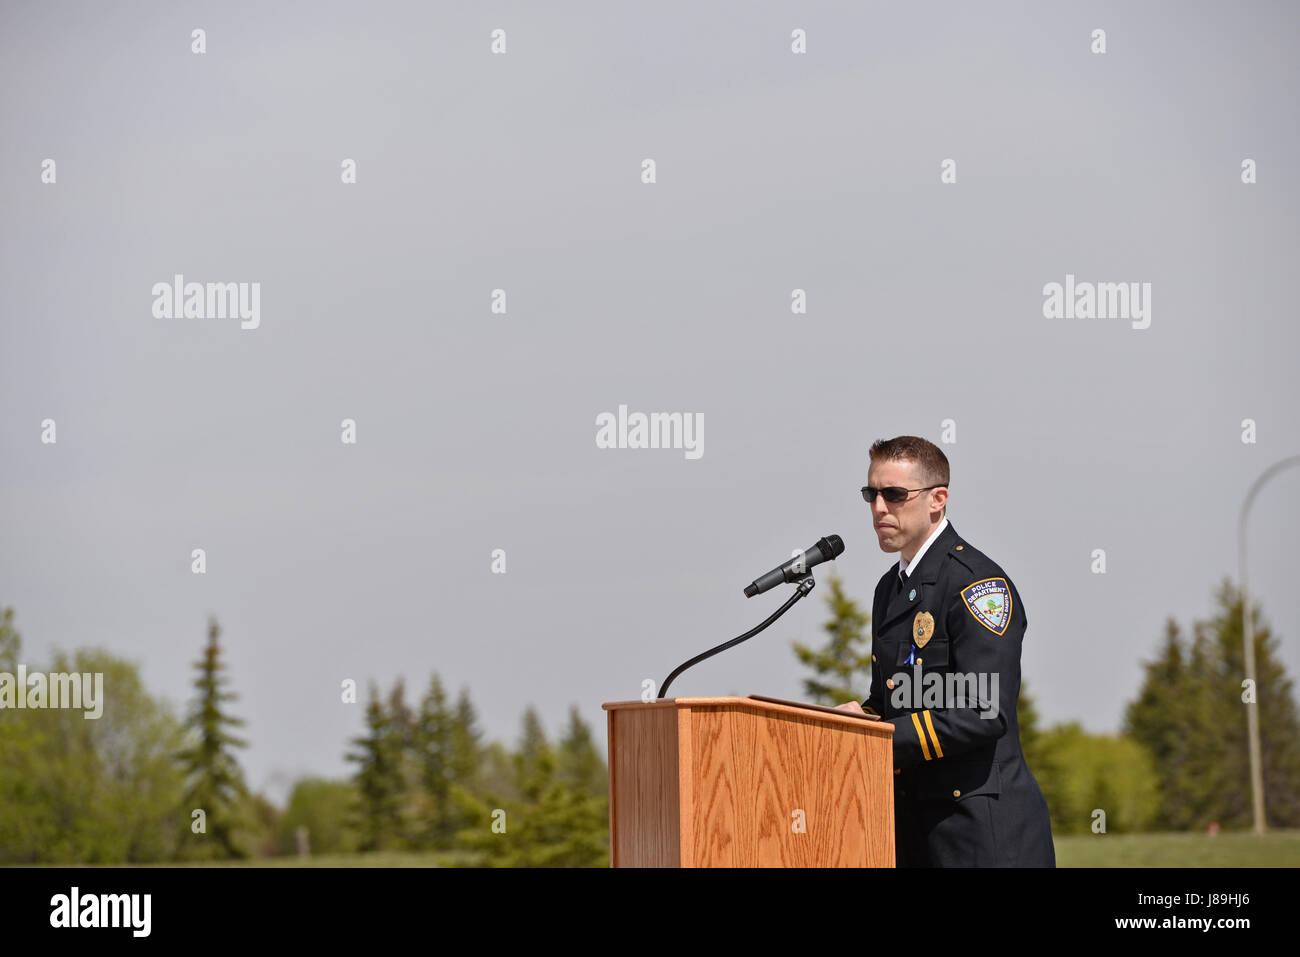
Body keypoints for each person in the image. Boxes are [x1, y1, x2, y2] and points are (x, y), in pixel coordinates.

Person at [835, 436, 1055, 867]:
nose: (880, 508)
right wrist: (859, 721)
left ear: (938, 499)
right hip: (915, 829)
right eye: (871, 494)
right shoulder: (890, 589)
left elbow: (984, 711)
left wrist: (876, 739)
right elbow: (896, 701)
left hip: (981, 833)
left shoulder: (978, 586)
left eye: (895, 495)